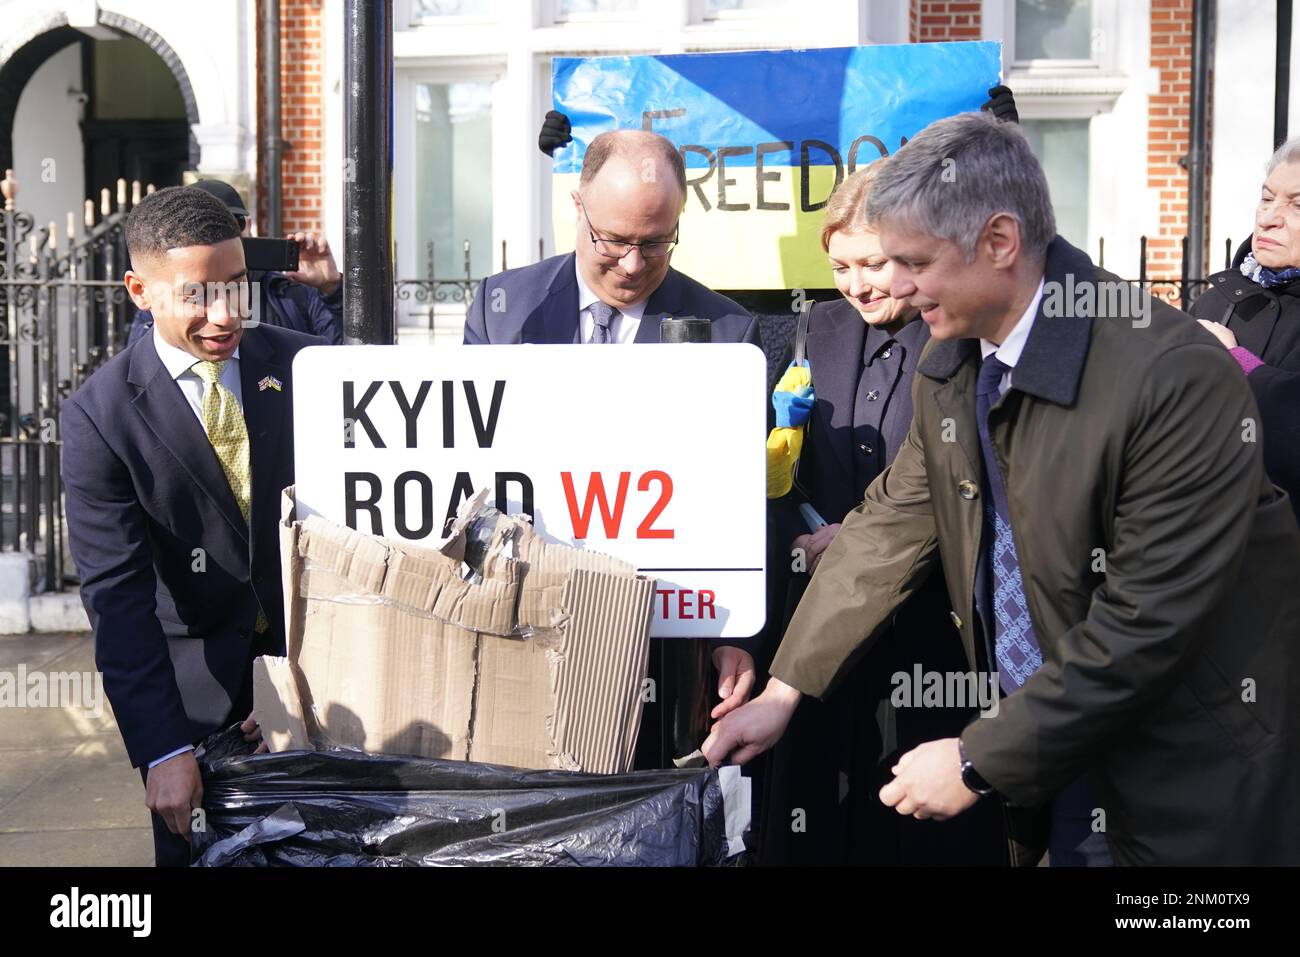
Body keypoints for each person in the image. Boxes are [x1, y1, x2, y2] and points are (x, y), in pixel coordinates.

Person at [703, 110, 1300, 866]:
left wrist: (977, 758)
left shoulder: (1172, 377)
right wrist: (784, 690)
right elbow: (889, 527)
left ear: (999, 242)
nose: (900, 287)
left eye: (915, 261)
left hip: (1185, 774)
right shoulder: (959, 362)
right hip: (1051, 749)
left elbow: (1146, 624)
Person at [464, 129, 760, 767]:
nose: (631, 264)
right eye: (615, 240)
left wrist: (734, 636)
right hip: (527, 621)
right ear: (578, 206)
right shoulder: (501, 309)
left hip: (662, 647)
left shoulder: (730, 331)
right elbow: (474, 473)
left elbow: (740, 503)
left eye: (655, 243)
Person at [61, 186, 321, 866]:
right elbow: (117, 601)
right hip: (199, 728)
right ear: (138, 290)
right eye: (198, 294)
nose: (225, 314)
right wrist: (162, 749)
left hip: (327, 693)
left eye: (237, 286)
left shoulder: (307, 367)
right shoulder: (99, 415)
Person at [757, 162, 1002, 865]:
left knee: (919, 836)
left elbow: (960, 487)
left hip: (931, 644)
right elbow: (777, 474)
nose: (856, 283)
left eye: (873, 264)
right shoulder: (811, 331)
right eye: (839, 265)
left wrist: (857, 535)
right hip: (819, 641)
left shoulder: (962, 338)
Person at [1192, 136, 1300, 525]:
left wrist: (1238, 365)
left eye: (1297, 205)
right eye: (1267, 197)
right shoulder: (1217, 299)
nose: (1268, 216)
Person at [126, 178, 344, 346]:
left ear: (249, 225)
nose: (224, 316)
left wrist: (332, 288)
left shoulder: (293, 295)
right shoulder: (164, 297)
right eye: (196, 295)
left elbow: (348, 361)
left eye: (232, 223)